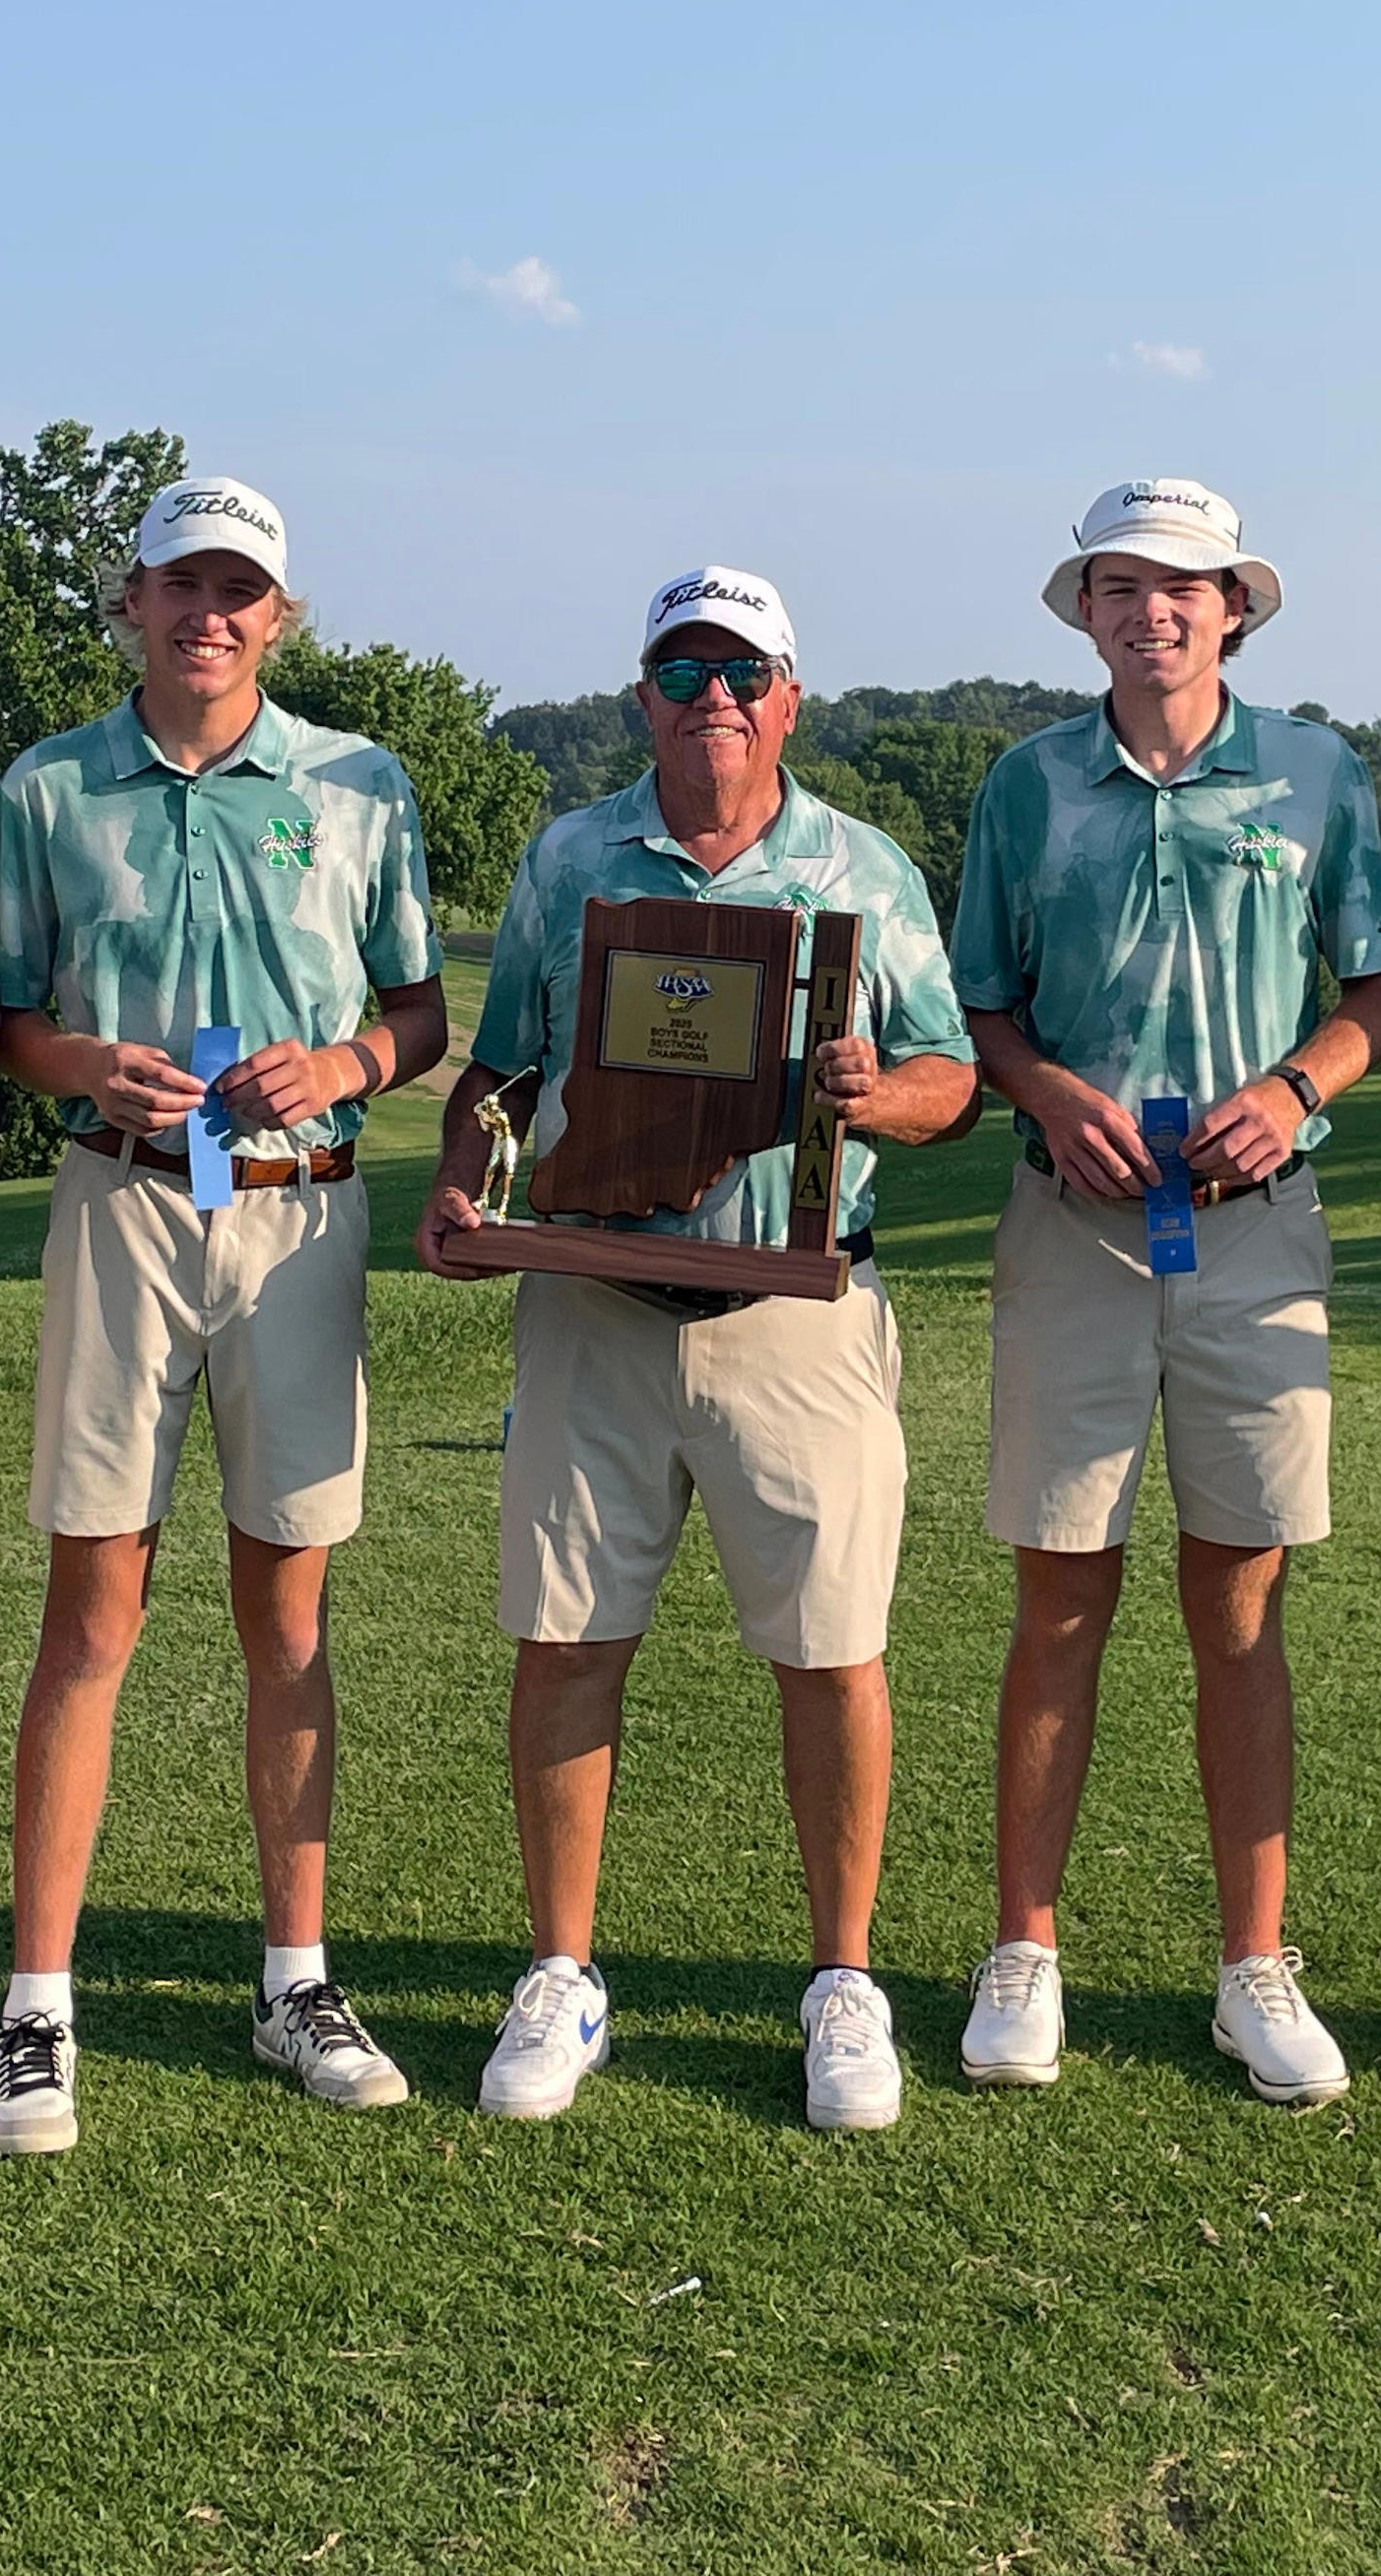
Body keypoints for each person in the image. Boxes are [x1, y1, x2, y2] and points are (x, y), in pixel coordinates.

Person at [417, 566, 977, 2133]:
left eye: (742, 669)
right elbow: (502, 1070)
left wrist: (883, 1095)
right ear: (640, 696)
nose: (711, 695)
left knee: (830, 1652)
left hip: (796, 1310)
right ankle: (560, 1971)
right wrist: (468, 1170)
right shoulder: (570, 855)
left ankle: (842, 1981)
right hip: (595, 1303)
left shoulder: (858, 866)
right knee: (567, 1637)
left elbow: (951, 1082)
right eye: (682, 669)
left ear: (790, 695)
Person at [0, 477, 448, 2149]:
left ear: (279, 615)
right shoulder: (46, 788)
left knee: (289, 1615)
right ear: (133, 601)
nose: (209, 615)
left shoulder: (358, 782)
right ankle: (36, 2003)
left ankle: (295, 1976)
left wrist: (347, 1063)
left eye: (240, 590)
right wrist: (80, 1060)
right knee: (91, 1609)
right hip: (118, 1200)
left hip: (300, 1212)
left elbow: (418, 1013)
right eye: (181, 586)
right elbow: (3, 1018)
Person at [949, 479, 1381, 2106]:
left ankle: (1252, 1963)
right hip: (1070, 1222)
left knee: (1242, 1606)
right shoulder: (1025, 783)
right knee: (1059, 1595)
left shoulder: (1315, 772)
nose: (1153, 612)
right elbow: (981, 1006)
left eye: (1185, 588)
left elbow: (1377, 988)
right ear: (1086, 612)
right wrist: (1042, 1088)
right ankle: (1024, 1945)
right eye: (1122, 587)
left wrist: (1296, 1088)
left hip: (1255, 1218)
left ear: (1235, 612)